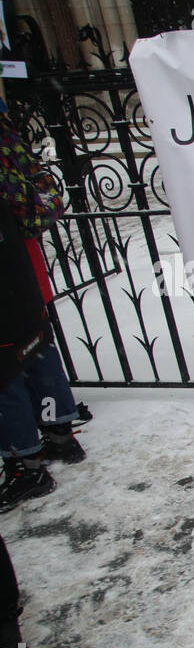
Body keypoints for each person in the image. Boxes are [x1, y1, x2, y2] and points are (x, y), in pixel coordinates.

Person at [0, 99, 84, 513]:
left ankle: (25, 461)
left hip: (9, 266)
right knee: (34, 346)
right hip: (19, 259)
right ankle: (58, 433)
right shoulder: (4, 129)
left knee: (6, 367)